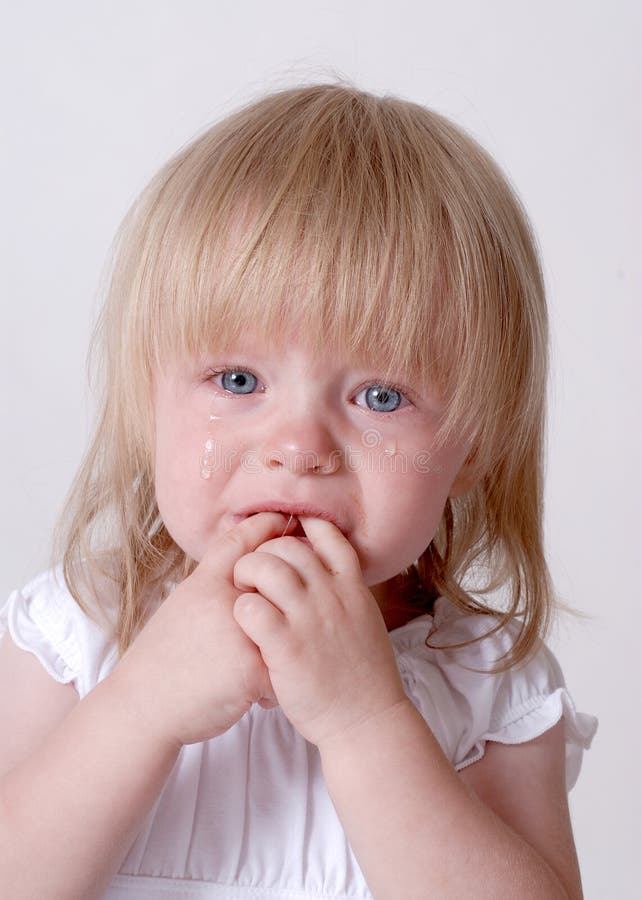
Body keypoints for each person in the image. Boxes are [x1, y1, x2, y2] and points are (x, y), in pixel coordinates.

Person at [0, 84, 597, 899]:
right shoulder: (80, 633)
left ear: (474, 447)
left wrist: (365, 724)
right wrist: (138, 708)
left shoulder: (487, 680)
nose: (298, 448)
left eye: (381, 397)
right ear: (147, 403)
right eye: (237, 379)